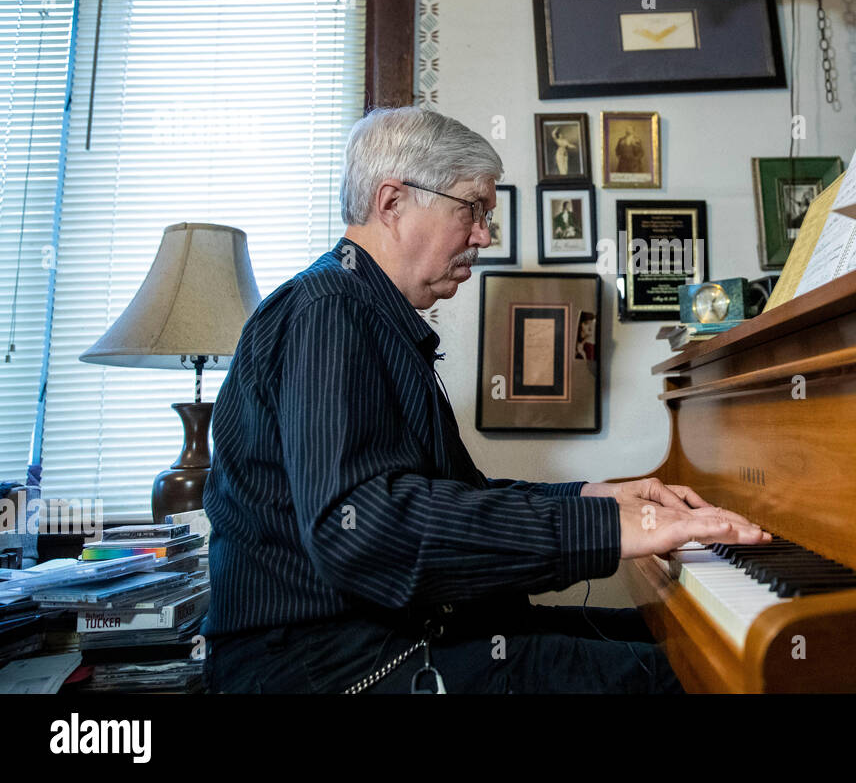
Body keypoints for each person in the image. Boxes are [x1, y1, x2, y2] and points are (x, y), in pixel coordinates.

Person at [201, 107, 767, 694]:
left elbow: (446, 501)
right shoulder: (330, 309)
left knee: (686, 638)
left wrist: (592, 494)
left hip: (391, 633)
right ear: (392, 203)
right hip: (324, 665)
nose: (484, 236)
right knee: (695, 677)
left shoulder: (364, 313)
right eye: (472, 208)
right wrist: (605, 528)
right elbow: (362, 530)